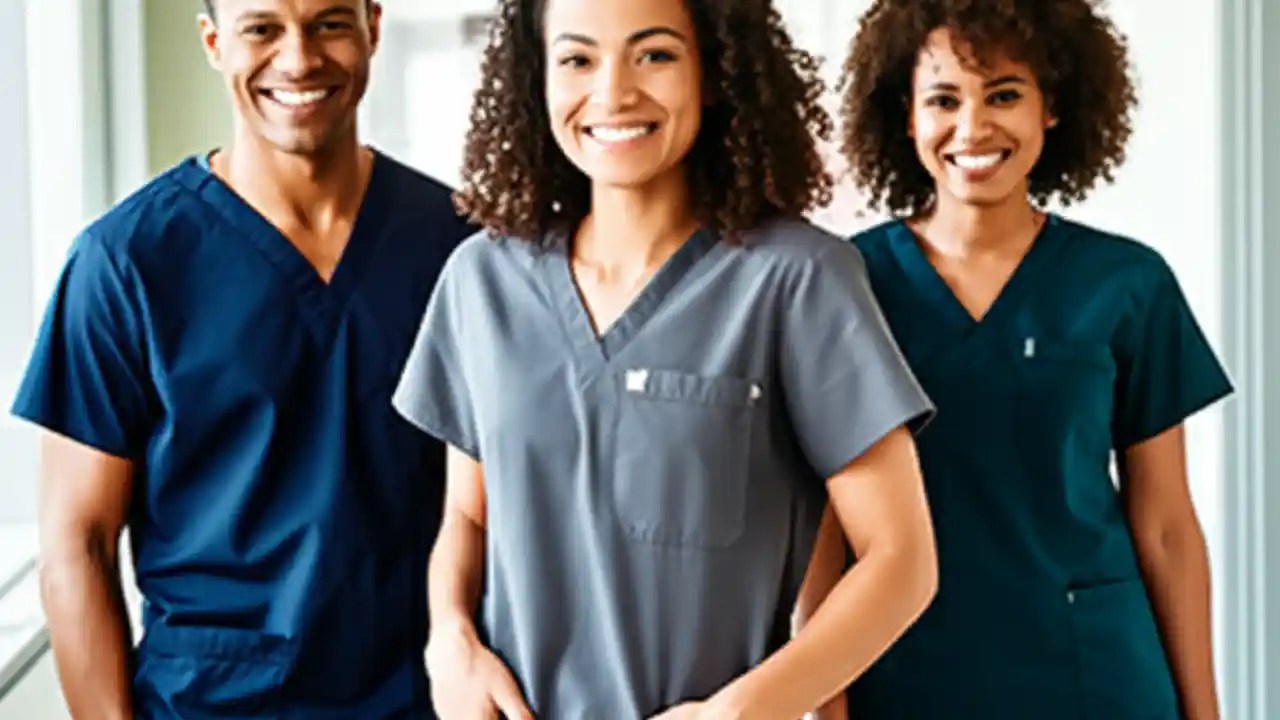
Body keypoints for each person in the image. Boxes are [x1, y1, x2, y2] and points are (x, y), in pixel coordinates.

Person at [390, 0, 940, 718]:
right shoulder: (481, 280)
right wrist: (450, 642)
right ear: (537, 80)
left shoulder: (797, 280)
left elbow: (901, 562)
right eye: (578, 59)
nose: (614, 92)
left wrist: (740, 712)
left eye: (654, 55)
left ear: (712, 73)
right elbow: (468, 514)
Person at [11, 0, 474, 716]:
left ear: (372, 28)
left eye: (328, 23)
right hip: (209, 703)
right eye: (262, 28)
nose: (298, 59)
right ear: (213, 41)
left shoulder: (460, 251)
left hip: (420, 698)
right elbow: (79, 544)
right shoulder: (126, 262)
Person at [812, 1, 1234, 717]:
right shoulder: (845, 287)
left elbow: (1165, 527)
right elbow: (822, 535)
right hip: (908, 677)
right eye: (943, 100)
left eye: (1004, 94)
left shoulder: (1127, 284)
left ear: (1052, 108)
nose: (973, 128)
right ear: (905, 117)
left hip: (1096, 677)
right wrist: (828, 706)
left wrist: (1206, 713)